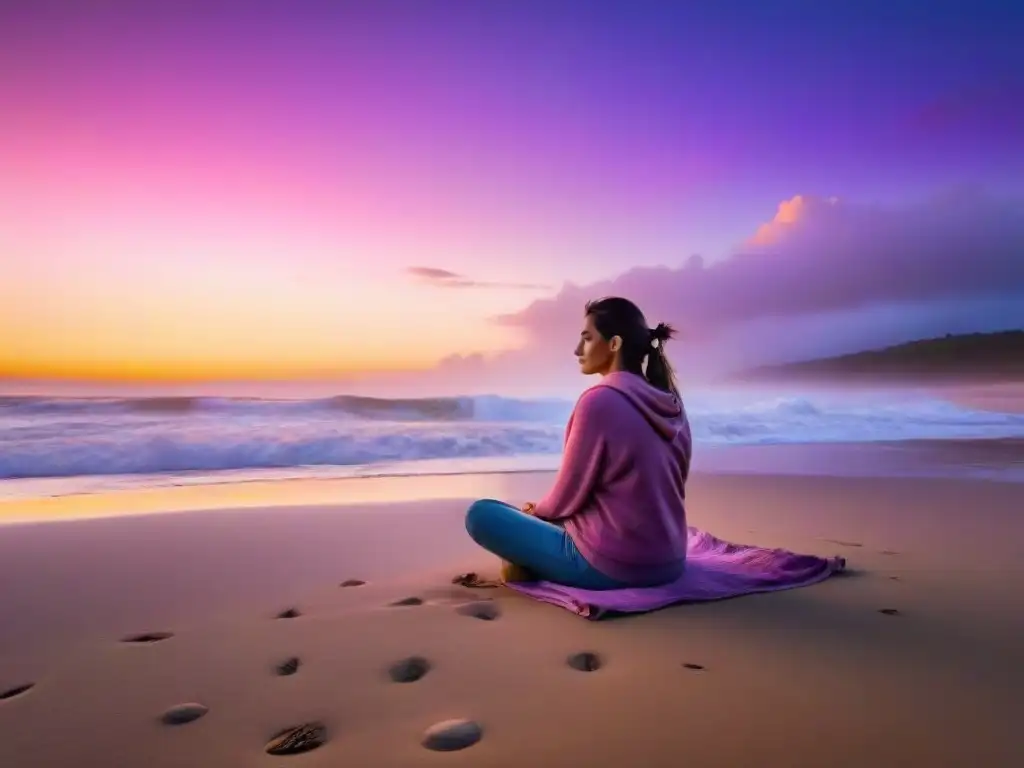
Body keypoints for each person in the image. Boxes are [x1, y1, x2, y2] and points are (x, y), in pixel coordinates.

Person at [464, 296, 692, 590]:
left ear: (614, 344)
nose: (577, 350)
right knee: (553, 518)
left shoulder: (599, 401)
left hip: (615, 567)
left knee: (481, 514)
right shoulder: (672, 404)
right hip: (670, 561)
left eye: (587, 338)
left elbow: (567, 496)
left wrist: (535, 514)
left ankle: (529, 561)